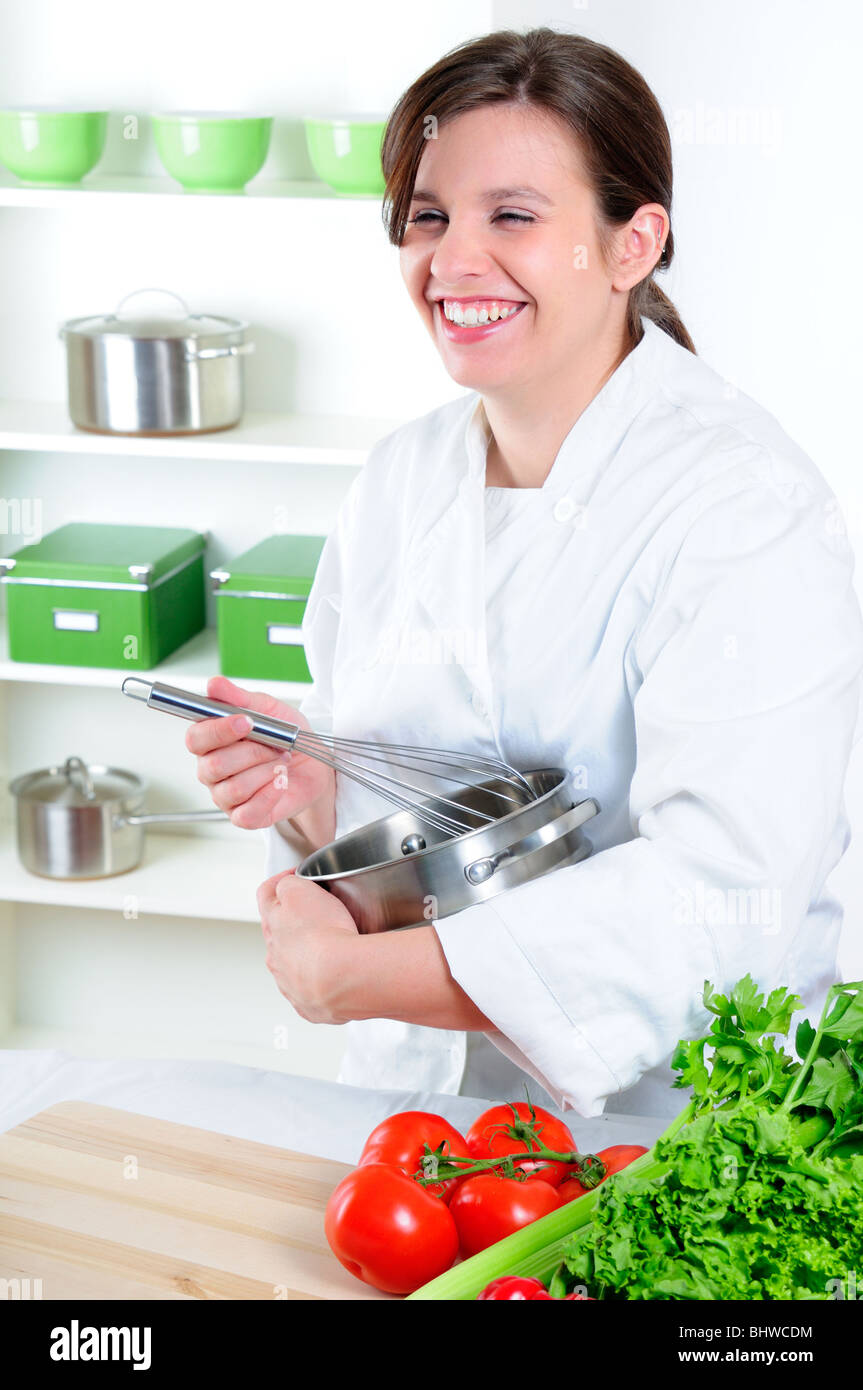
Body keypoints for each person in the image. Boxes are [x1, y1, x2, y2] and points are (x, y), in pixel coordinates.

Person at [186, 27, 863, 1118]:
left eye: (511, 215)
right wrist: (320, 803)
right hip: (425, 1129)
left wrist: (364, 978)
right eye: (426, 217)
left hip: (670, 1127)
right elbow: (425, 811)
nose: (452, 262)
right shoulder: (399, 481)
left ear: (631, 243)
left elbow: (718, 895)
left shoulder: (746, 509)